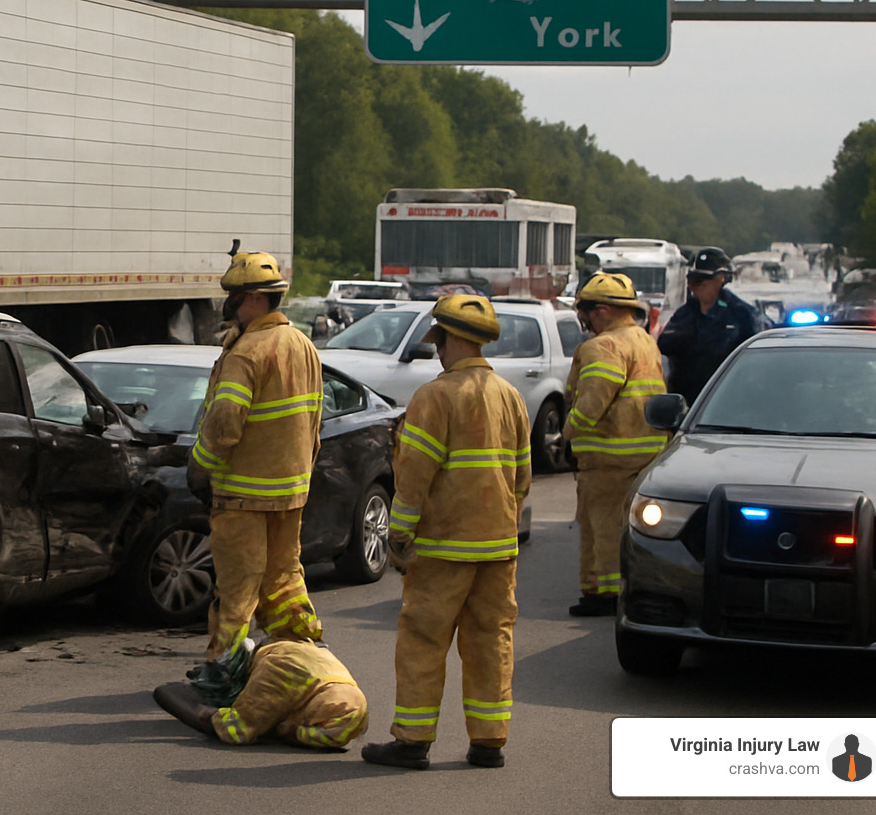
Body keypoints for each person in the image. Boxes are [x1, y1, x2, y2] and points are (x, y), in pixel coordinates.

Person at [362, 294, 531, 772]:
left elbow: (414, 476)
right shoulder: (510, 397)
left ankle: (413, 741)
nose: (436, 350)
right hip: (497, 549)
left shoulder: (434, 397)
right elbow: (521, 478)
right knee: (491, 641)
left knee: (423, 639)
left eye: (439, 341)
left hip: (443, 550)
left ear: (452, 340)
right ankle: (489, 742)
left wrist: (399, 535)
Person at [187, 249, 323, 662]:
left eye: (235, 296)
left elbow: (224, 422)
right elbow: (314, 421)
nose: (229, 305)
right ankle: (299, 658)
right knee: (285, 582)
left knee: (237, 591)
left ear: (255, 299)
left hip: (243, 498)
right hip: (290, 494)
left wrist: (199, 467)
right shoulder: (303, 346)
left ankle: (223, 669)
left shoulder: (247, 352)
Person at [564, 273, 669, 617]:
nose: (585, 321)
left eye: (587, 313)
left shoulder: (602, 347)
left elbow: (593, 402)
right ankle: (621, 588)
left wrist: (568, 433)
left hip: (607, 459)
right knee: (626, 527)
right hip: (645, 454)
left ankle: (604, 595)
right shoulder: (644, 340)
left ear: (602, 311)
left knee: (603, 528)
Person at [153, 638, 369, 749]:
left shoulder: (272, 668)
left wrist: (206, 715)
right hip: (358, 711)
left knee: (279, 729)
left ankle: (307, 734)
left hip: (332, 722)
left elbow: (239, 728)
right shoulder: (305, 650)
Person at [658, 247, 761, 405]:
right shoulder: (685, 314)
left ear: (721, 279)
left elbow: (756, 355)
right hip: (688, 400)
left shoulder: (740, 313)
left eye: (702, 280)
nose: (697, 286)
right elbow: (664, 345)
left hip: (727, 398)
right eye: (694, 281)